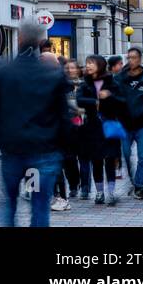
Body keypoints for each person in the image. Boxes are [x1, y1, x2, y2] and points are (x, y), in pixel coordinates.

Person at [0, 19, 71, 227]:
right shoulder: (52, 74)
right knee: (39, 206)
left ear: (19, 38)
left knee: (9, 203)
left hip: (13, 151)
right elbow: (63, 116)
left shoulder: (2, 72)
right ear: (39, 41)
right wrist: (63, 148)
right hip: (43, 151)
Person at [114, 47, 143, 199]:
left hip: (142, 124)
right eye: (129, 57)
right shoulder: (120, 77)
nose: (131, 60)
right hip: (124, 124)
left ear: (140, 58)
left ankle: (139, 187)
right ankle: (134, 180)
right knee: (126, 154)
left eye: (134, 57)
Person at [76, 54, 123, 204]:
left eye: (91, 63)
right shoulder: (85, 83)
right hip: (92, 127)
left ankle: (111, 192)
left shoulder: (112, 82)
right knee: (96, 159)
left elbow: (122, 101)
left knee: (109, 159)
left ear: (100, 65)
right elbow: (79, 100)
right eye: (87, 63)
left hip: (109, 126)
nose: (88, 66)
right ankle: (99, 192)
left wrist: (108, 95)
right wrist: (95, 100)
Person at [51, 59, 84, 211]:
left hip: (74, 125)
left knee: (71, 158)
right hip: (61, 124)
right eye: (67, 68)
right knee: (63, 158)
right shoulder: (60, 84)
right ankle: (63, 190)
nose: (70, 70)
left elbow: (75, 105)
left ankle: (74, 185)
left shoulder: (78, 85)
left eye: (72, 68)